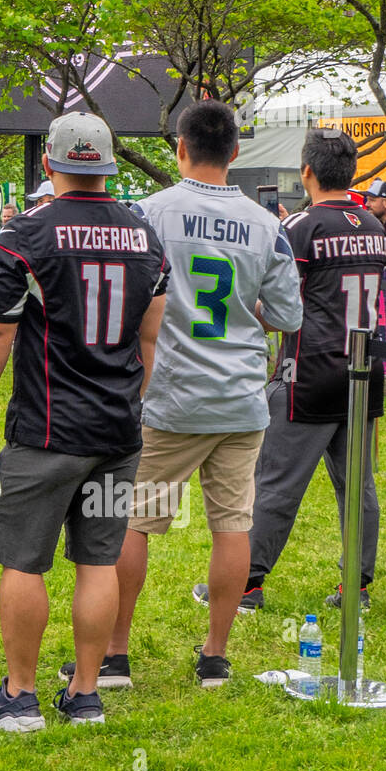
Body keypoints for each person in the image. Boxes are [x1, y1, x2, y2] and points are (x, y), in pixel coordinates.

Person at [0, 113, 168, 731]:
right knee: (97, 562)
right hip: (117, 428)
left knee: (24, 561)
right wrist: (128, 401)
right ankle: (85, 695)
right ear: (108, 165)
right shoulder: (144, 235)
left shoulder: (28, 232)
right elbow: (149, 339)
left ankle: (20, 697)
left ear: (50, 165)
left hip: (48, 428)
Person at [98, 100, 303, 690]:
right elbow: (288, 315)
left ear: (180, 149)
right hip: (240, 398)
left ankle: (115, 656)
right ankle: (214, 656)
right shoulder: (268, 225)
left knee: (133, 522)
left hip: (169, 396)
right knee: (232, 524)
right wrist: (247, 310)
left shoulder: (147, 214)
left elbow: (124, 299)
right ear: (235, 154)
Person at [245, 130, 386, 611]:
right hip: (363, 367)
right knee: (358, 484)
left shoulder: (301, 228)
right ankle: (359, 586)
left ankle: (247, 584)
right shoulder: (372, 224)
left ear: (306, 171)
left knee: (277, 481)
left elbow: (280, 306)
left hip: (307, 370)